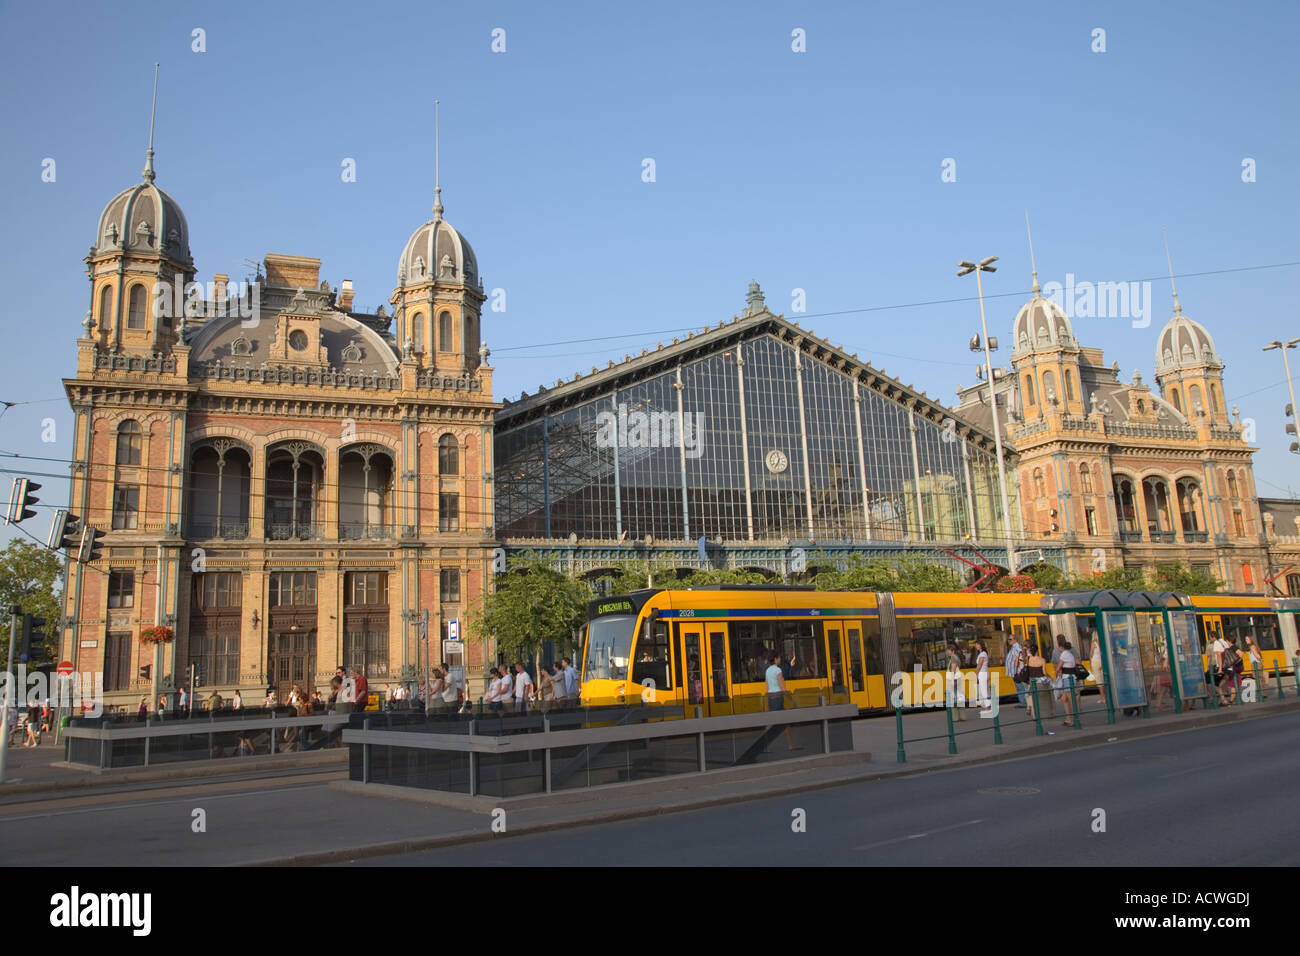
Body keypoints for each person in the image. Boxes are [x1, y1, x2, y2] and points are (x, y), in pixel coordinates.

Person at [1056, 635, 1079, 727]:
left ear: (1061, 647)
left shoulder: (1064, 654)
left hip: (1067, 678)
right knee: (1064, 698)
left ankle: (1073, 719)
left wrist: (1058, 671)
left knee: (1069, 698)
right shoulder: (1069, 653)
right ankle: (1068, 718)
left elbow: (1058, 667)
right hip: (1069, 677)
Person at [1005, 632, 1027, 708]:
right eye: (1008, 639)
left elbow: (1018, 658)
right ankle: (1023, 702)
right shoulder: (1013, 647)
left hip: (1016, 671)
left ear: (1015, 640)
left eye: (1010, 639)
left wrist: (1016, 670)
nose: (1009, 641)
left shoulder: (1017, 647)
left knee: (1020, 687)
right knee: (1019, 687)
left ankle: (1023, 703)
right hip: (1014, 671)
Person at [945, 643, 966, 721]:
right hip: (957, 679)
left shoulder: (953, 658)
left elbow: (953, 669)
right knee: (959, 697)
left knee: (953, 698)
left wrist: (952, 681)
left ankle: (955, 717)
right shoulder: (956, 657)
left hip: (954, 679)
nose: (947, 652)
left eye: (948, 650)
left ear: (952, 651)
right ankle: (962, 716)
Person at [974, 638, 991, 712]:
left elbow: (979, 665)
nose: (976, 646)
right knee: (985, 690)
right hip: (984, 673)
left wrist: (976, 674)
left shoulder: (982, 654)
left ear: (981, 645)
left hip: (982, 673)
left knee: (984, 690)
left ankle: (988, 706)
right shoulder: (983, 653)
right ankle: (988, 705)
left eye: (977, 644)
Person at [1090, 634, 1105, 709]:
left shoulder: (1094, 643)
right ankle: (1105, 697)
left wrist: (1090, 664)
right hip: (1101, 662)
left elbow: (1091, 654)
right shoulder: (1101, 642)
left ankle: (1103, 698)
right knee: (1103, 680)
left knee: (1099, 682)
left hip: (1095, 662)